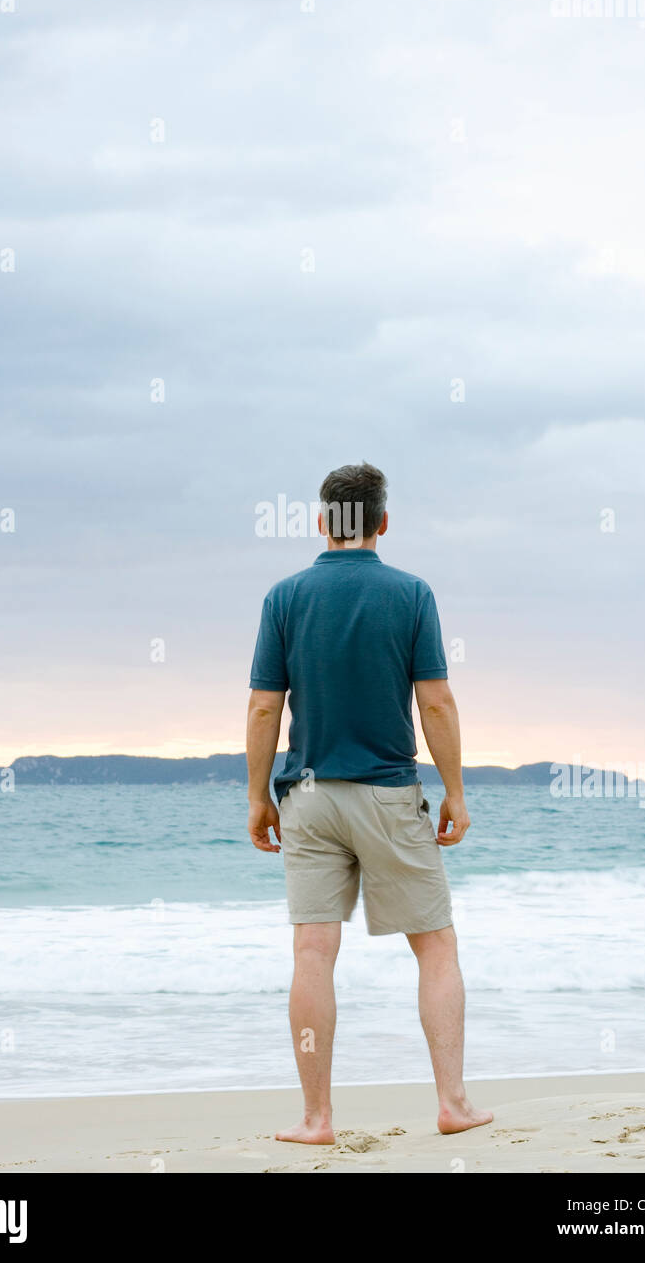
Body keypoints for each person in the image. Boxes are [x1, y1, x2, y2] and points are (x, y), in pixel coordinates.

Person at [246, 461, 492, 1144]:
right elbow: (435, 700)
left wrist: (257, 796)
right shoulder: (410, 594)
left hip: (310, 795)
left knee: (312, 955)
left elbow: (266, 707)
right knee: (435, 947)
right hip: (388, 792)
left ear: (323, 523)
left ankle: (315, 1117)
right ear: (383, 523)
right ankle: (453, 1103)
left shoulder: (284, 597)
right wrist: (457, 792)